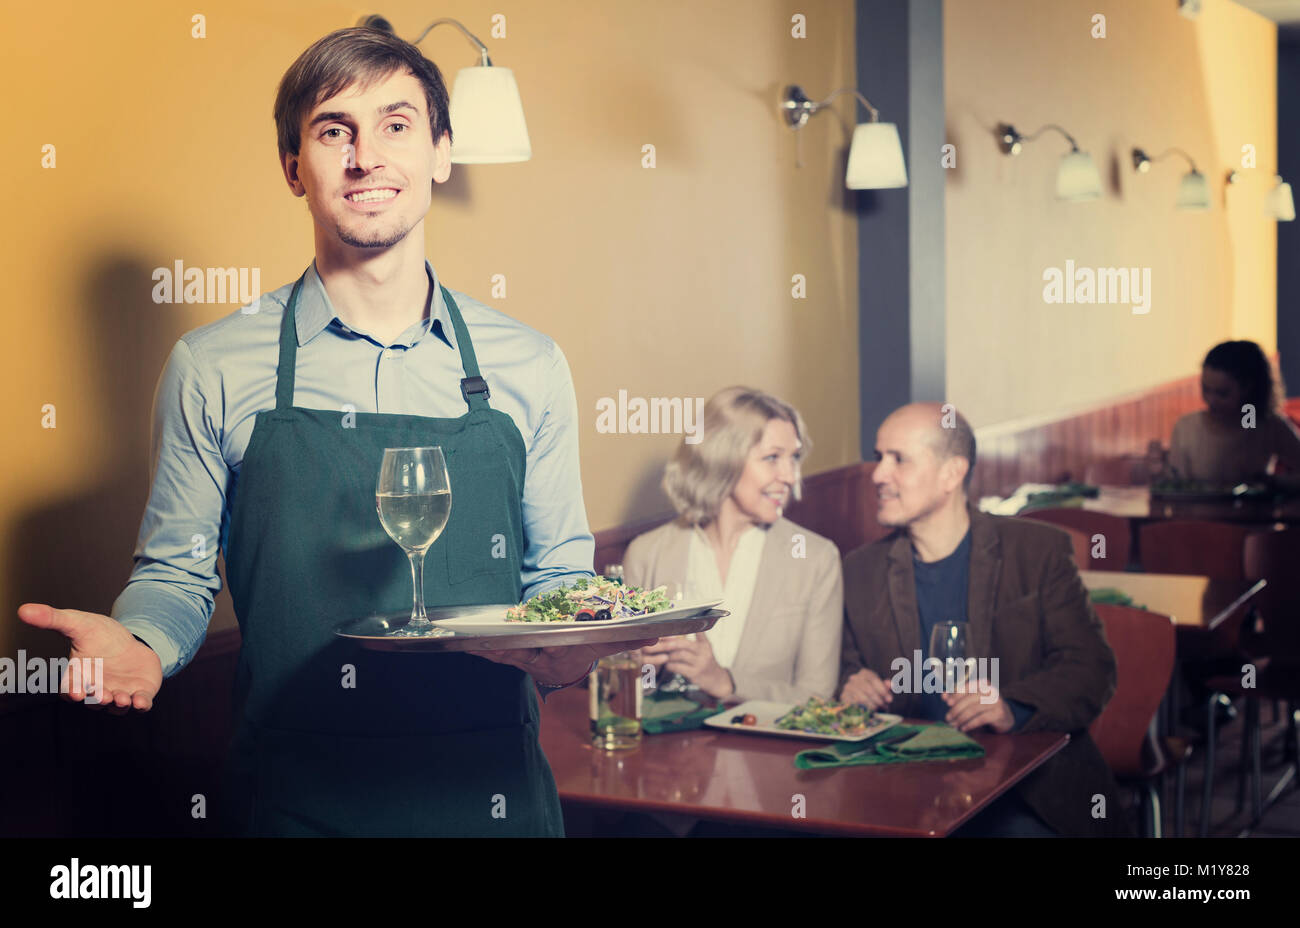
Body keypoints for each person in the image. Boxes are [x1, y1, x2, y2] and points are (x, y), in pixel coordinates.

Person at [17, 26, 650, 837]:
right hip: (295, 804)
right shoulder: (211, 366)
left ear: (440, 153)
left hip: (491, 800)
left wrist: (575, 642)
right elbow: (175, 577)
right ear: (294, 169)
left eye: (396, 125)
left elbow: (557, 574)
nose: (366, 157)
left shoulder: (529, 364)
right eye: (333, 131)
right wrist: (142, 641)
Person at [839, 402, 1129, 837]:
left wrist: (1011, 707)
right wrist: (849, 684)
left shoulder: (1037, 552)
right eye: (879, 457)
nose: (879, 474)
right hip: (902, 790)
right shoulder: (859, 570)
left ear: (952, 473)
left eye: (898, 459)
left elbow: (1091, 669)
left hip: (1023, 791)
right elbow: (839, 669)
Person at [625, 386, 842, 703]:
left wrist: (725, 682)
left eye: (794, 458)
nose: (791, 476)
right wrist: (641, 670)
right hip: (666, 748)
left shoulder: (817, 559)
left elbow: (818, 699)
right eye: (772, 458)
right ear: (721, 460)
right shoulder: (646, 554)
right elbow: (624, 692)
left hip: (769, 749)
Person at [1168, 340, 1300, 484]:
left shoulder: (1268, 425)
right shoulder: (1186, 427)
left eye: (1222, 393)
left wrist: (1274, 484)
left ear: (1248, 388)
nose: (1211, 401)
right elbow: (1175, 485)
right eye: (1206, 389)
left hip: (1256, 507)